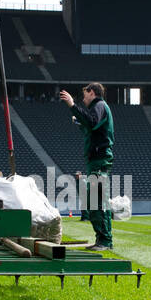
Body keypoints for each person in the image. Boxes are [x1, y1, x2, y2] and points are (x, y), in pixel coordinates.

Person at [58, 83, 114, 250]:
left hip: (99, 160)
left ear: (92, 92)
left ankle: (105, 241)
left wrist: (73, 106)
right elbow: (91, 127)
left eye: (85, 94)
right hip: (96, 160)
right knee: (96, 201)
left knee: (96, 201)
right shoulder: (100, 107)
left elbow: (92, 122)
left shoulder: (100, 105)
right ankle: (103, 240)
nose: (83, 98)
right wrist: (79, 122)